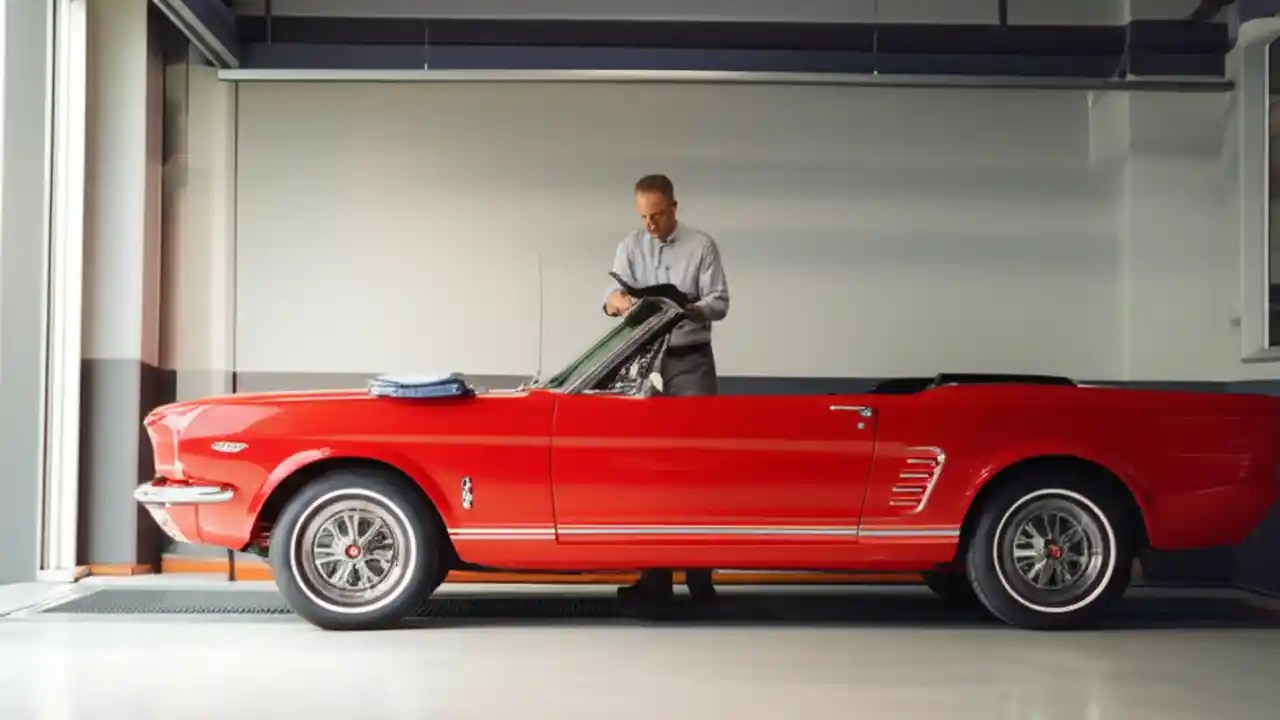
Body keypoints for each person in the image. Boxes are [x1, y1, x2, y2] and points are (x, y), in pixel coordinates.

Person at [603, 174, 730, 604]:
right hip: (646, 364)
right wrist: (622, 302)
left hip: (692, 363)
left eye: (656, 215)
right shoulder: (630, 246)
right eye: (643, 216)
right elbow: (609, 297)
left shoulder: (702, 246)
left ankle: (700, 579)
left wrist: (688, 308)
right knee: (650, 470)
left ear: (674, 207)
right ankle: (653, 579)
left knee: (697, 470)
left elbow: (721, 302)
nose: (650, 225)